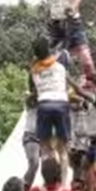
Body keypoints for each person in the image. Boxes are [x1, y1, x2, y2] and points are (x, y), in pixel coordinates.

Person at [28, 0, 96, 87]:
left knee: (86, 59)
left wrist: (73, 7)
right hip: (55, 28)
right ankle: (38, 87)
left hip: (73, 25)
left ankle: (91, 87)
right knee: (44, 57)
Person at [28, 38, 73, 175]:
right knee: (63, 149)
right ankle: (64, 185)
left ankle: (49, 181)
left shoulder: (34, 70)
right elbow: (67, 86)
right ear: (48, 50)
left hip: (44, 104)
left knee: (45, 148)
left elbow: (33, 91)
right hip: (61, 103)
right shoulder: (60, 65)